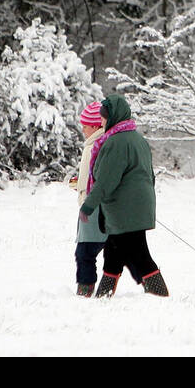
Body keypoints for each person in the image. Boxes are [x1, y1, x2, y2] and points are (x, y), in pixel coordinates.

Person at [79, 94, 168, 297]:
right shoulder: (137, 139)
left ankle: (160, 295)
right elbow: (149, 176)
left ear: (113, 116)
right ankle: (104, 293)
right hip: (136, 205)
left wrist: (88, 205)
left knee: (139, 253)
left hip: (125, 208)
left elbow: (107, 180)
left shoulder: (115, 143)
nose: (101, 120)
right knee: (113, 250)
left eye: (103, 115)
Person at [71, 101, 109, 296]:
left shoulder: (99, 144)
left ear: (95, 126)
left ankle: (85, 290)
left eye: (85, 126)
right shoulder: (93, 144)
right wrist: (79, 183)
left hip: (95, 207)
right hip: (92, 204)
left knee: (85, 252)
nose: (83, 129)